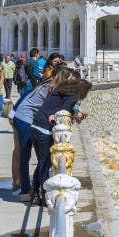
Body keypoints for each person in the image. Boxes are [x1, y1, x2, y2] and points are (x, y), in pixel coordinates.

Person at [30, 72, 91, 205]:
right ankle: (45, 196)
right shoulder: (73, 96)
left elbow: (61, 109)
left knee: (42, 163)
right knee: (45, 164)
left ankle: (34, 193)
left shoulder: (62, 91)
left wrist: (74, 114)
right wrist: (73, 115)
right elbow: (63, 111)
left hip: (36, 126)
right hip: (44, 130)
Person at [10, 55, 64, 199]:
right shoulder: (51, 86)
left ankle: (34, 188)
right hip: (24, 118)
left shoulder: (49, 83)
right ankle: (26, 191)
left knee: (37, 156)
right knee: (25, 153)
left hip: (24, 117)